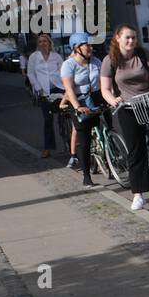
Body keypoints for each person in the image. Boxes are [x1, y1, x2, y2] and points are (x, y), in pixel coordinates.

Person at [100, 24, 149, 211]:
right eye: (127, 38)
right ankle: (139, 194)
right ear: (118, 38)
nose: (131, 41)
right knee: (136, 149)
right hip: (127, 107)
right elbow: (105, 89)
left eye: (133, 38)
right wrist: (113, 100)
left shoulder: (144, 54)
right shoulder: (110, 60)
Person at [60, 33, 102, 189]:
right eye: (87, 45)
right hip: (79, 102)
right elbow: (69, 89)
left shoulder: (96, 61)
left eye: (91, 45)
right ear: (76, 48)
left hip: (97, 98)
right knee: (84, 140)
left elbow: (106, 81)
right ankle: (86, 176)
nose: (91, 48)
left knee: (109, 125)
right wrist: (77, 106)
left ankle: (111, 151)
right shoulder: (69, 65)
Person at [26, 34, 64, 158]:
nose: (42, 43)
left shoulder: (56, 56)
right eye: (40, 42)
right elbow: (31, 74)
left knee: (64, 116)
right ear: (38, 44)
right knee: (48, 120)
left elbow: (64, 71)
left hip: (59, 88)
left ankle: (68, 142)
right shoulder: (34, 57)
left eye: (45, 41)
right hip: (44, 92)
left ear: (49, 43)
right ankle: (48, 148)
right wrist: (38, 88)